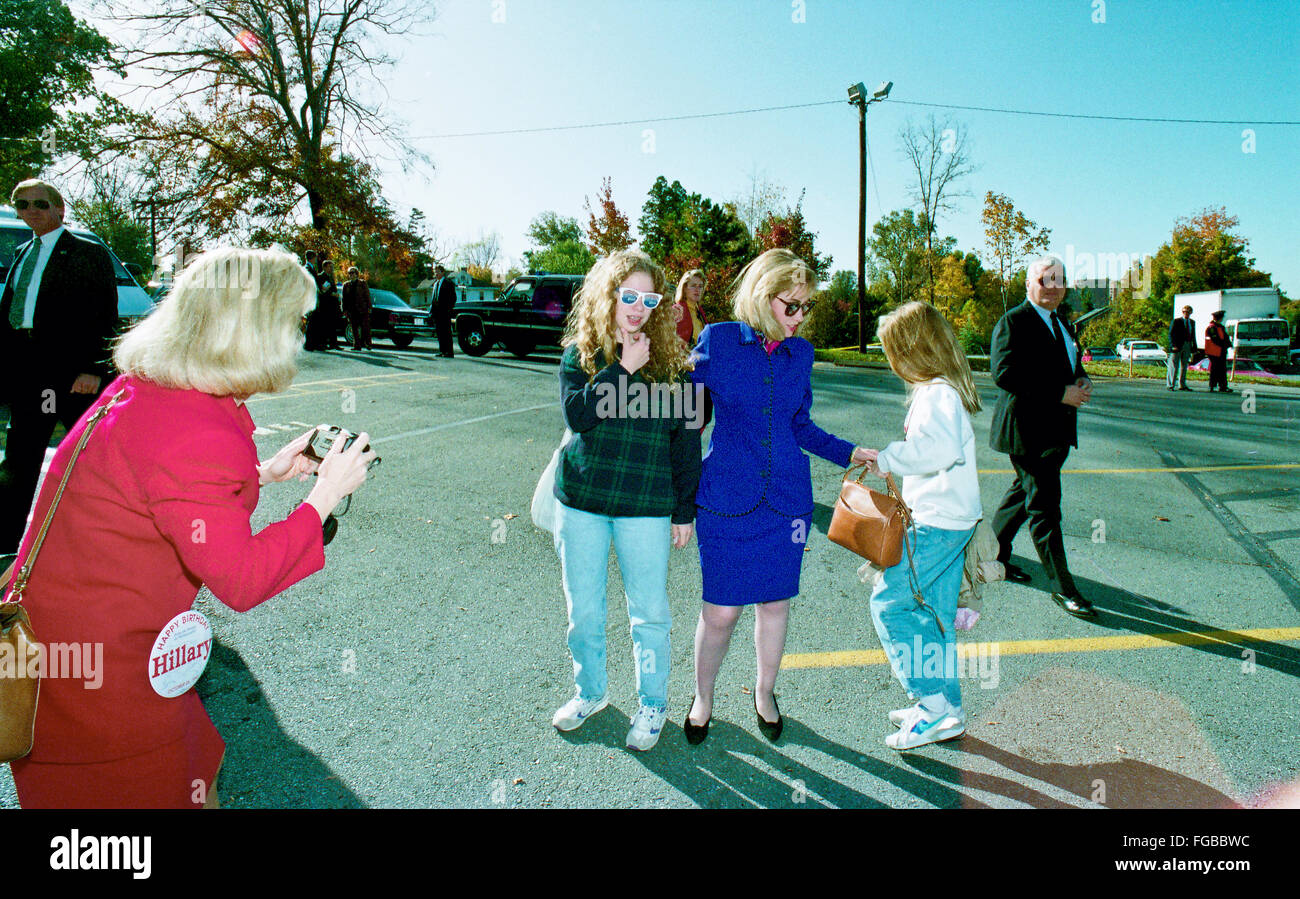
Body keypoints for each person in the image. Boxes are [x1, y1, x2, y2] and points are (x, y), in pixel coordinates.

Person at [4, 247, 376, 808]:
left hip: (63, 650)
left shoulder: (148, 388)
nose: (301, 336)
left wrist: (265, 473)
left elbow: (159, 496)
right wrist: (324, 497)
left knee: (193, 772)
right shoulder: (196, 428)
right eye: (293, 321)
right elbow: (242, 578)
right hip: (102, 681)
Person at [683, 248, 871, 745]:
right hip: (724, 500)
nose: (800, 316)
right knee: (720, 611)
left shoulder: (800, 354)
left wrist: (851, 452)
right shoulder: (719, 340)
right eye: (793, 305)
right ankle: (703, 697)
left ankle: (765, 693)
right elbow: (681, 412)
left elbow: (800, 425)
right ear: (763, 298)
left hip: (787, 502)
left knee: (775, 606)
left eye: (806, 307)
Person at [550, 249, 701, 752]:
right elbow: (579, 416)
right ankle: (589, 693)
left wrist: (685, 510)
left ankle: (653, 703)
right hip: (583, 503)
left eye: (648, 298)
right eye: (627, 295)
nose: (637, 307)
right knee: (585, 611)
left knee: (649, 613)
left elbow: (685, 442)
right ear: (607, 295)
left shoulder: (675, 367)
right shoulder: (581, 354)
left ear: (660, 306)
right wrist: (622, 370)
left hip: (646, 506)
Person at [856, 302, 982, 750]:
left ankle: (930, 706)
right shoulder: (940, 390)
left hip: (937, 523)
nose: (892, 363)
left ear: (913, 351)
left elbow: (937, 450)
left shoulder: (937, 394)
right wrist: (891, 460)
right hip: (949, 519)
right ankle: (946, 708)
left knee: (889, 605)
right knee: (934, 615)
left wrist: (888, 457)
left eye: (894, 352)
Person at [0, 179, 118, 555]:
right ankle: (6, 547)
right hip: (26, 374)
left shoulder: (87, 252)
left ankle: (109, 540)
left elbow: (104, 316)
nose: (30, 210)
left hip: (71, 377)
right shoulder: (22, 253)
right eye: (22, 204)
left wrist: (94, 369)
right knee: (18, 460)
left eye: (40, 203)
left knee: (90, 460)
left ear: (59, 208)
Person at [988, 255, 1096, 620]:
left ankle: (992, 558)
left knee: (1021, 496)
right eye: (1045, 279)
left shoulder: (1062, 322)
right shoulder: (1013, 322)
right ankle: (1063, 588)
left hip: (1057, 432)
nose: (1053, 287)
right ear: (1029, 285)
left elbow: (1070, 364)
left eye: (1059, 280)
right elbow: (1004, 374)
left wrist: (1081, 379)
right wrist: (1059, 393)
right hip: (1027, 433)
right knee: (1045, 509)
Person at [305, 259, 340, 350]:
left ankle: (333, 344)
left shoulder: (331, 277)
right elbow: (321, 291)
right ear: (324, 267)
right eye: (330, 267)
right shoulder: (320, 277)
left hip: (332, 305)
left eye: (332, 267)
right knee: (323, 325)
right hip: (324, 305)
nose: (331, 269)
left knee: (332, 325)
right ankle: (322, 344)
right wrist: (332, 294)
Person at [673, 269, 708, 348]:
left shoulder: (699, 311)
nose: (697, 289)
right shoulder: (677, 310)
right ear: (684, 288)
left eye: (700, 286)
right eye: (693, 286)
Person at [341, 266, 373, 350]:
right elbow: (344, 298)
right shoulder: (346, 285)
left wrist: (369, 307)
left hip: (362, 308)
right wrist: (344, 309)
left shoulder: (362, 283)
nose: (351, 275)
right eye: (349, 273)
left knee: (365, 327)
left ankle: (368, 343)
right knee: (354, 328)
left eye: (353, 273)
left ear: (356, 274)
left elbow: (367, 296)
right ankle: (357, 345)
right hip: (351, 309)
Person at [1167, 304, 1196, 391]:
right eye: (1184, 312)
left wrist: (1194, 347)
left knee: (1184, 365)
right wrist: (1173, 345)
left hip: (1187, 345)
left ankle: (1182, 384)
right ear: (1182, 312)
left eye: (1188, 312)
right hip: (1177, 345)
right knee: (1174, 365)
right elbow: (1171, 334)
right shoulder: (1176, 321)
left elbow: (1193, 335)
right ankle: (1170, 384)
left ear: (1191, 313)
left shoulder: (1192, 322)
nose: (1186, 314)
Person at [432, 264, 457, 357]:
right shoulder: (435, 284)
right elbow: (434, 299)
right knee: (439, 332)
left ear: (442, 272)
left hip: (445, 312)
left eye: (437, 272)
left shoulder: (448, 283)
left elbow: (453, 298)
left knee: (446, 332)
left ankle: (449, 352)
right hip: (436, 313)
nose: (436, 274)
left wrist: (448, 309)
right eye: (435, 272)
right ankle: (442, 350)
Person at [1205, 310, 1232, 393]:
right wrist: (1224, 345)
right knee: (1215, 369)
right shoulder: (1212, 327)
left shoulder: (1221, 327)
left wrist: (1229, 344)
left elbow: (1225, 337)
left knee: (1222, 369)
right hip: (1214, 351)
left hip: (1221, 351)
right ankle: (1212, 386)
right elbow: (1215, 339)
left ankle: (1223, 386)